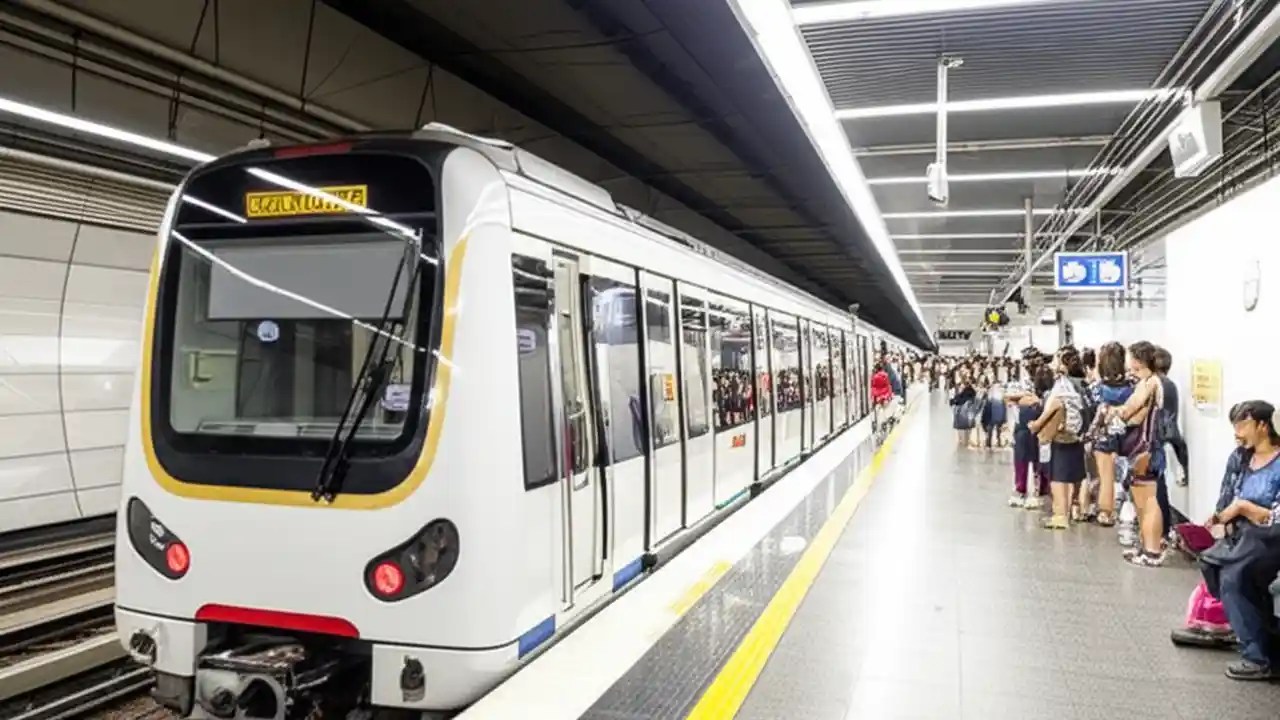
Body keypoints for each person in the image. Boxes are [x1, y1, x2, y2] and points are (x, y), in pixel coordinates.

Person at [1199, 401, 1280, 680]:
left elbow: (1276, 516)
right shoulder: (1240, 459)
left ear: (1262, 425)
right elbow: (1226, 499)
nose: (1237, 432)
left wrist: (1245, 508)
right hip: (1245, 535)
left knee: (1235, 576)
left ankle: (1256, 656)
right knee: (1211, 563)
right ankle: (1256, 636)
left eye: (1242, 425)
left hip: (1271, 537)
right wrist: (1221, 519)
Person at [1107, 341, 1167, 566]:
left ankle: (1151, 550)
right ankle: (1146, 546)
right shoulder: (1152, 382)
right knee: (1141, 500)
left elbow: (1129, 409)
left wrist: (1112, 411)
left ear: (1138, 360)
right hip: (1147, 446)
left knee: (1148, 500)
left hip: (1144, 448)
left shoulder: (1148, 383)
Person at [1029, 347, 1089, 529]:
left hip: (1062, 435)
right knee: (1078, 475)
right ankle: (1078, 509)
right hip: (1078, 433)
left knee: (1059, 478)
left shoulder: (1062, 385)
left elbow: (1056, 404)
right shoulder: (1083, 384)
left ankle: (1060, 515)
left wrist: (1038, 424)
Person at [1086, 342, 1133, 527]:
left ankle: (1106, 512)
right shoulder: (1132, 388)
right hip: (1126, 435)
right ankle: (1125, 510)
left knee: (1104, 476)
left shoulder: (1097, 389)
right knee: (1124, 475)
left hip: (1103, 435)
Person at [1007, 363, 1053, 508]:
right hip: (1041, 432)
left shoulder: (1026, 397)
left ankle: (1021, 490)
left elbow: (1007, 399)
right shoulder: (1050, 397)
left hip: (1022, 431)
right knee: (1040, 462)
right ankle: (1041, 490)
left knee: (1021, 461)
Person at [950, 370, 977, 448]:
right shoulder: (971, 390)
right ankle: (966, 441)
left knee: (961, 429)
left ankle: (961, 441)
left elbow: (956, 400)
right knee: (968, 428)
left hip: (961, 413)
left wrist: (953, 401)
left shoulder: (962, 392)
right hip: (969, 413)